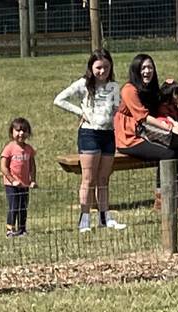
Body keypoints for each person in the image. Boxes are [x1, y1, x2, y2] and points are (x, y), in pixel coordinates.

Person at [54, 49, 125, 232]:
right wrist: (82, 113)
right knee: (88, 178)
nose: (103, 71)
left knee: (104, 178)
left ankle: (105, 217)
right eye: (99, 67)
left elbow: (117, 109)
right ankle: (84, 218)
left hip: (108, 134)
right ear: (91, 67)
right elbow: (59, 100)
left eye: (106, 67)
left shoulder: (114, 87)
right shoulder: (83, 84)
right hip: (89, 134)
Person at [115, 53, 178, 211]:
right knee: (167, 154)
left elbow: (162, 111)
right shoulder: (129, 90)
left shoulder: (152, 89)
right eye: (143, 68)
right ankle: (162, 200)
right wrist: (171, 128)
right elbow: (143, 117)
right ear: (136, 70)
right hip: (130, 138)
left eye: (150, 67)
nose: (147, 71)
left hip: (148, 133)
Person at [0, 116, 36, 237]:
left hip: (24, 183)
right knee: (14, 206)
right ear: (12, 132)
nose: (21, 133)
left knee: (23, 207)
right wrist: (12, 180)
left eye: (24, 131)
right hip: (11, 184)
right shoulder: (9, 148)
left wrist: (33, 180)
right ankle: (10, 229)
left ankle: (22, 229)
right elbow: (3, 167)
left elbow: (32, 165)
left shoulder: (29, 149)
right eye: (18, 130)